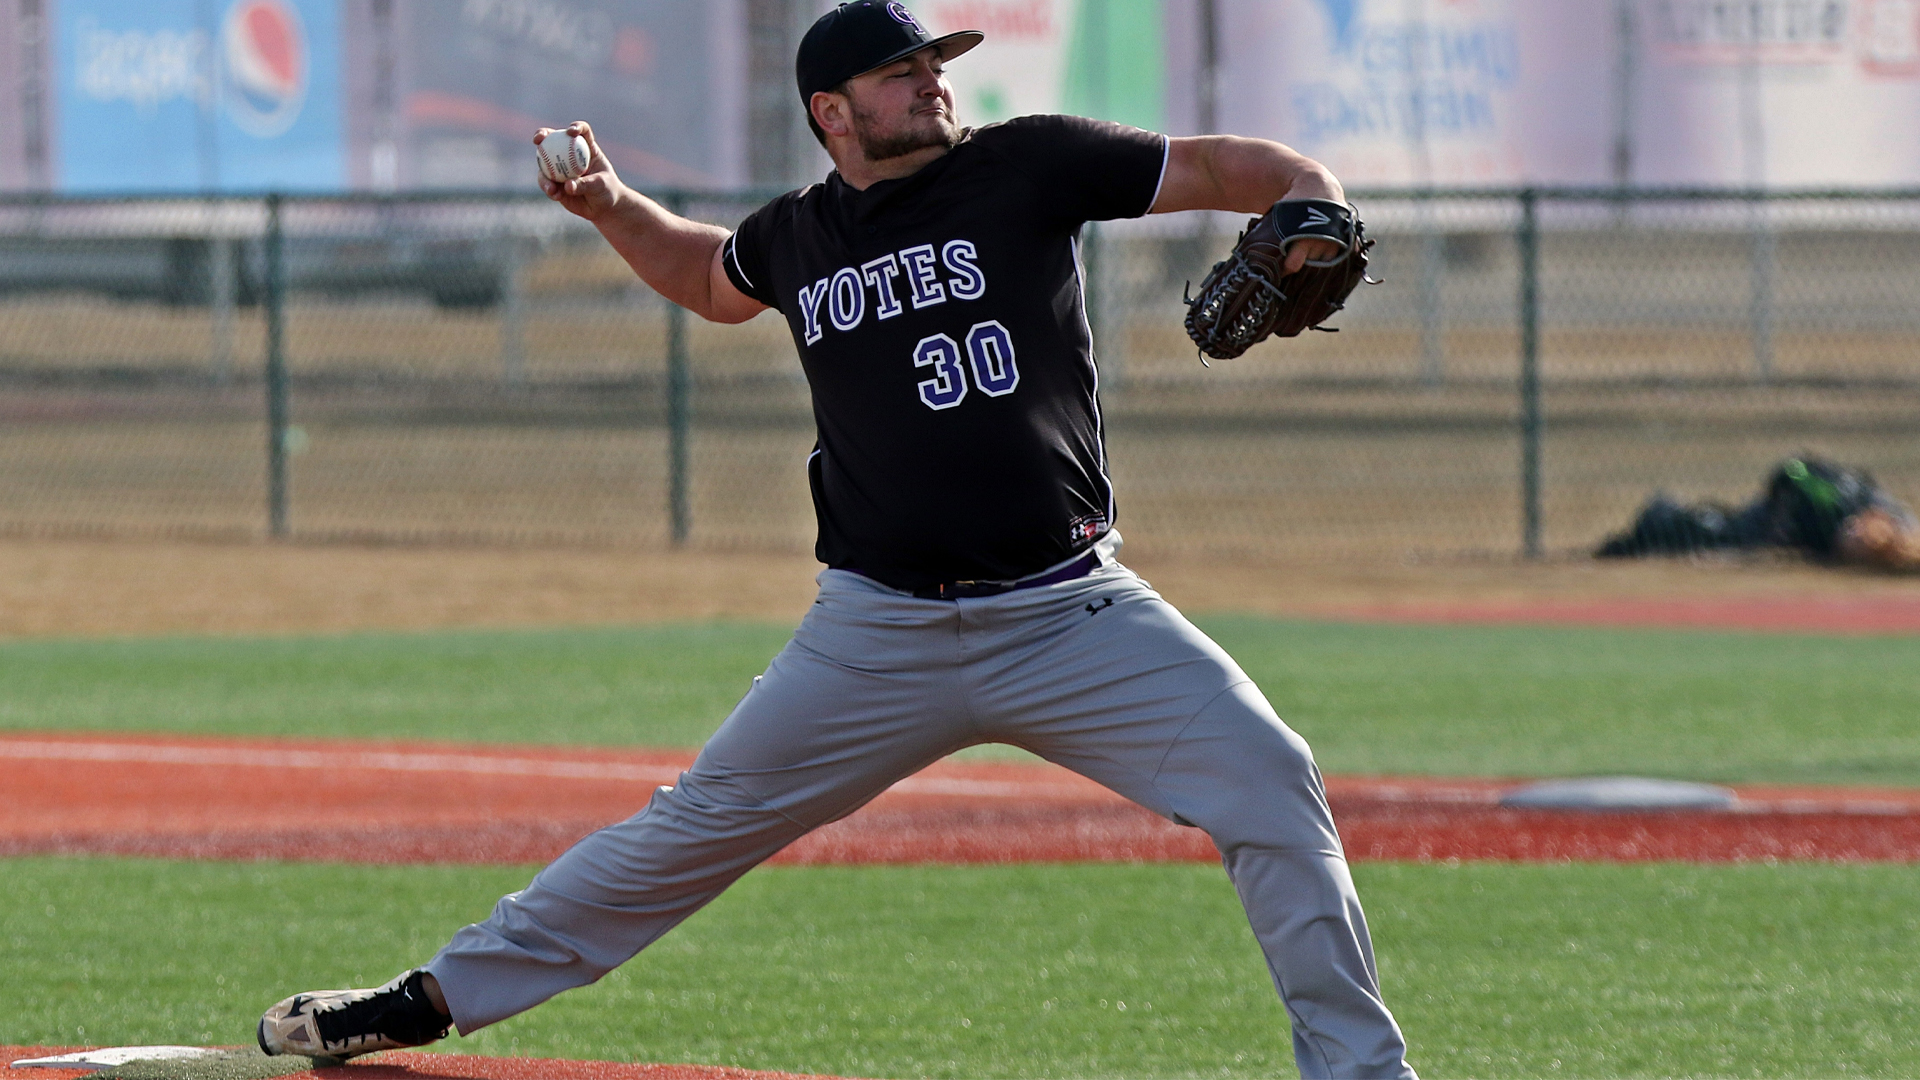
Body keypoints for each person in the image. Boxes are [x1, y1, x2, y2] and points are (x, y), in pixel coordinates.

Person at [257, 4, 1416, 1076]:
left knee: (1270, 779)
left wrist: (1309, 193)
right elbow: (709, 281)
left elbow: (1220, 167)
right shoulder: (799, 234)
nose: (929, 84)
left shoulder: (1027, 164)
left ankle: (1362, 1073)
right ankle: (428, 997)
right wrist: (610, 205)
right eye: (899, 71)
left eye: (933, 66)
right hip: (877, 632)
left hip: (1070, 611)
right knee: (688, 831)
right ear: (831, 110)